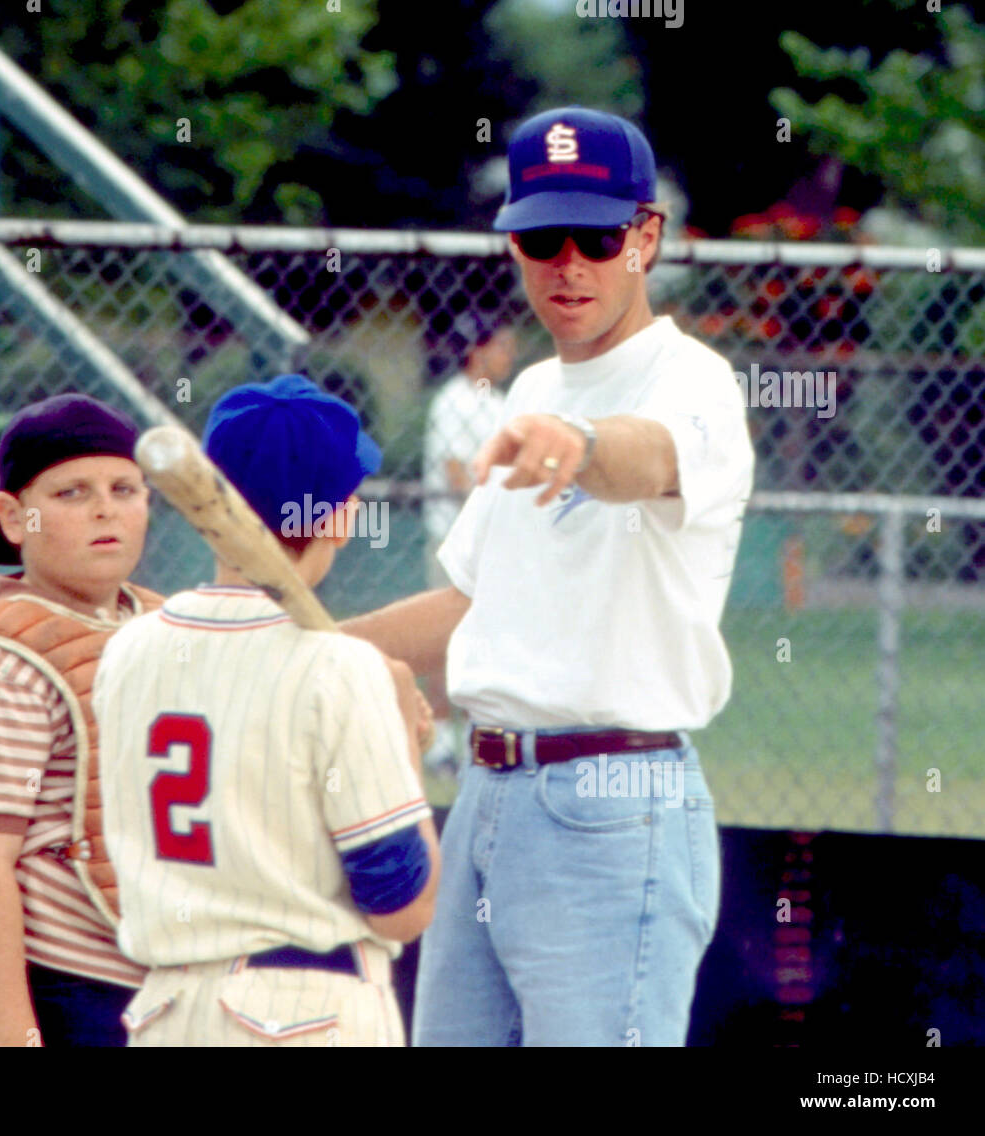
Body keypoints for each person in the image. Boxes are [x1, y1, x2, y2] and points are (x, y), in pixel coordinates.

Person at [342, 107, 755, 1046]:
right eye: (541, 236)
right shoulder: (530, 391)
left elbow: (647, 460)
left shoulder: (694, 382)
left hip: (612, 806)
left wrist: (585, 445)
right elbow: (472, 610)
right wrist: (307, 647)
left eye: (598, 236)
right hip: (488, 793)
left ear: (645, 237)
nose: (568, 262)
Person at [94, 374, 441, 1047]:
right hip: (308, 1012)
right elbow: (402, 906)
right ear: (339, 514)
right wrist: (399, 742)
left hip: (164, 1010)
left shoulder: (128, 650)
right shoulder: (340, 668)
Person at [0, 394, 163, 1046]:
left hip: (155, 983)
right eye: (70, 493)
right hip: (52, 986)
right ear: (13, 516)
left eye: (124, 488)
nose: (104, 508)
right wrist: (14, 1037)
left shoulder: (166, 630)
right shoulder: (3, 669)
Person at [420, 315, 517, 774]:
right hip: (452, 537)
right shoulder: (452, 401)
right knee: (443, 641)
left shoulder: (502, 404)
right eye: (500, 346)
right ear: (476, 351)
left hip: (497, 543)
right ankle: (440, 743)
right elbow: (458, 473)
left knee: (490, 642)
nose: (508, 356)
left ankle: (481, 740)